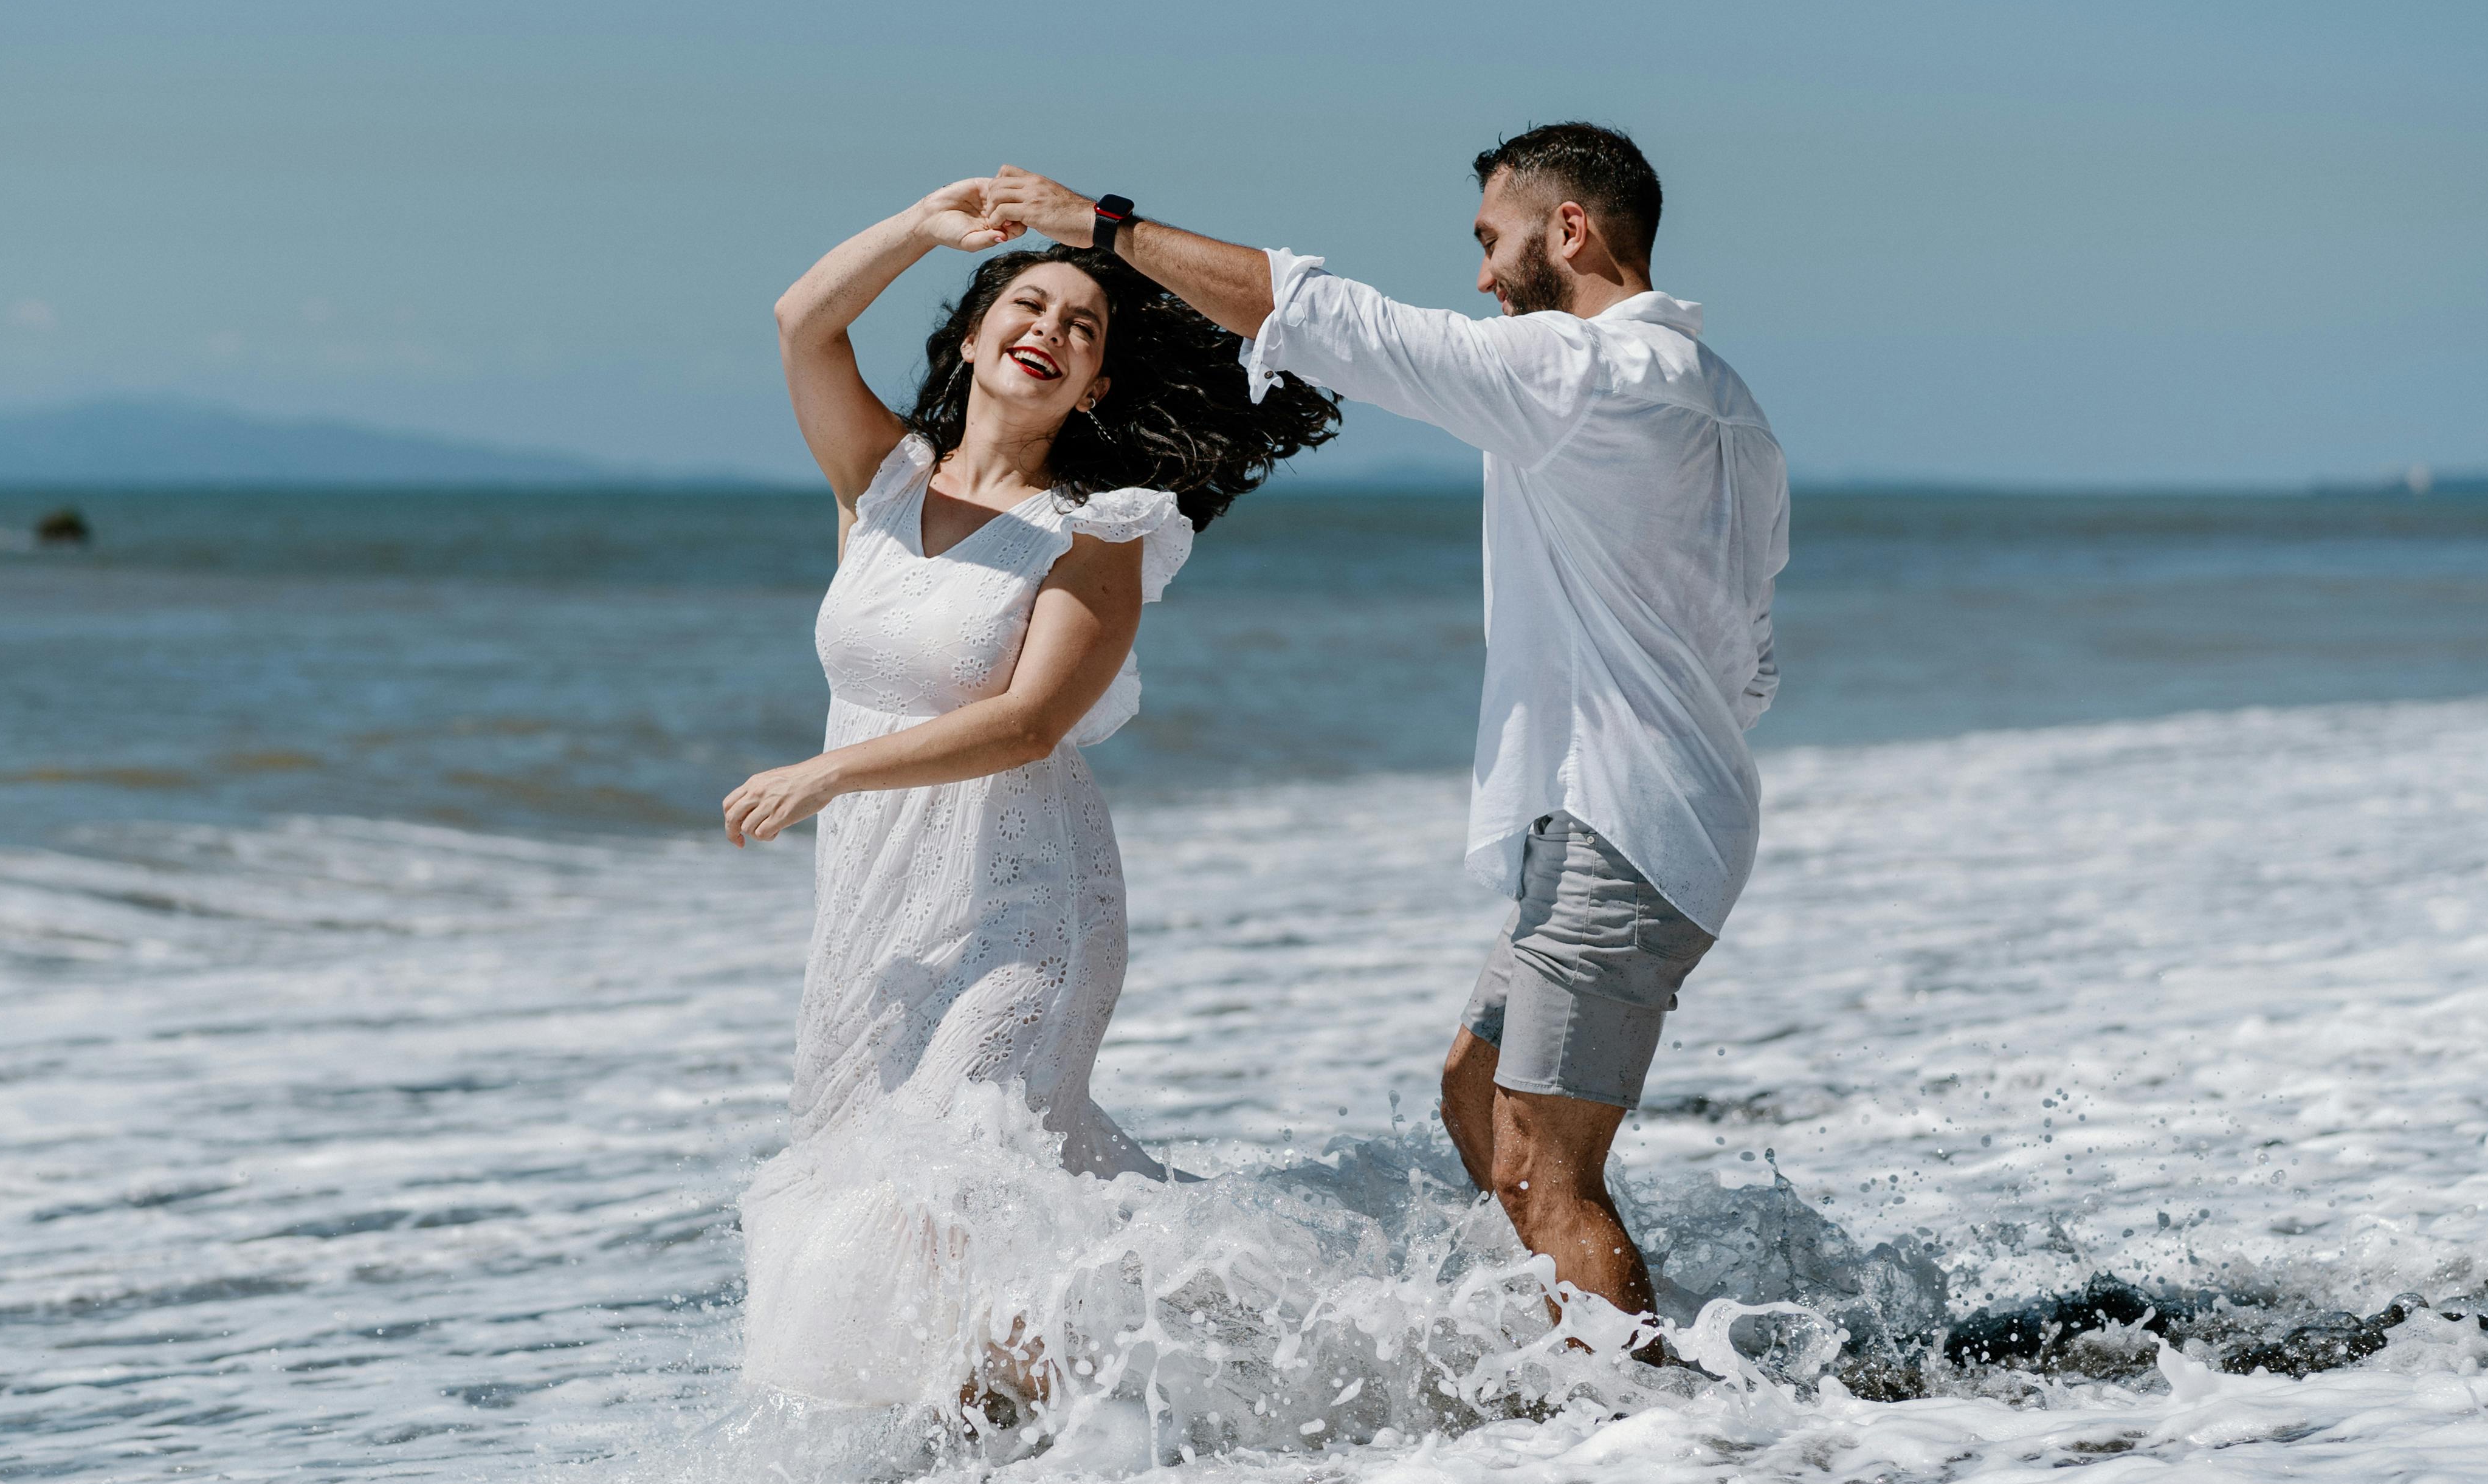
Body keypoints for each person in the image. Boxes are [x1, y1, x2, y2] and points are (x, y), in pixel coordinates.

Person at [982, 127, 1787, 1347]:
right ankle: (1580, 1354)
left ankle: (1658, 1439)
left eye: (1489, 238)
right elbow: (1751, 652)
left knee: (1555, 1169)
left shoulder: (1571, 373)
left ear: (1567, 228)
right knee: (1475, 1097)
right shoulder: (1726, 403)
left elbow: (1326, 318)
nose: (1479, 275)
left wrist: (1104, 228)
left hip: (1632, 828)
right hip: (1644, 815)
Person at [726, 178, 1339, 1408]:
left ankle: (1042, 1474)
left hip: (1026, 902)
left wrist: (825, 769)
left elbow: (1029, 723)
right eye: (1030, 301)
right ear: (973, 335)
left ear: (1095, 384)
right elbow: (801, 322)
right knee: (879, 1177)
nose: (1052, 327)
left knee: (956, 1171)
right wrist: (913, 227)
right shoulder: (881, 482)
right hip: (879, 899)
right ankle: (1190, 1377)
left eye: (1082, 326)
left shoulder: (1095, 531)